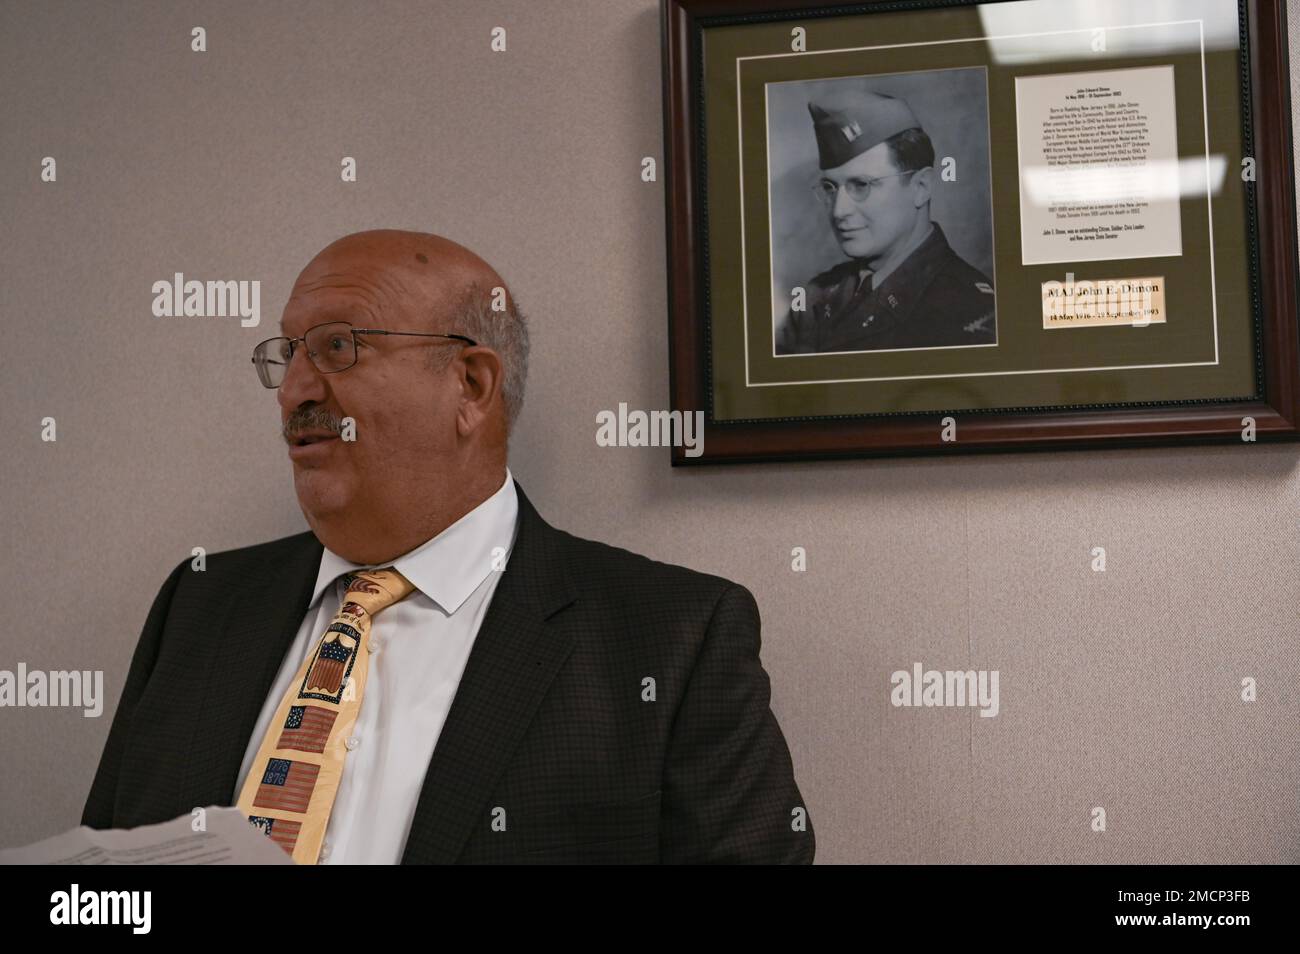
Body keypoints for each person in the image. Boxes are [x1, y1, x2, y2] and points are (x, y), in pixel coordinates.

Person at [81, 229, 814, 864]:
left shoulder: (668, 640)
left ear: (470, 385)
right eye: (288, 353)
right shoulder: (200, 603)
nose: (294, 388)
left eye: (337, 347)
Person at [777, 89, 996, 354]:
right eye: (831, 188)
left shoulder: (968, 309)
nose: (838, 211)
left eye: (861, 184)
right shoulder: (816, 297)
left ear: (921, 187)